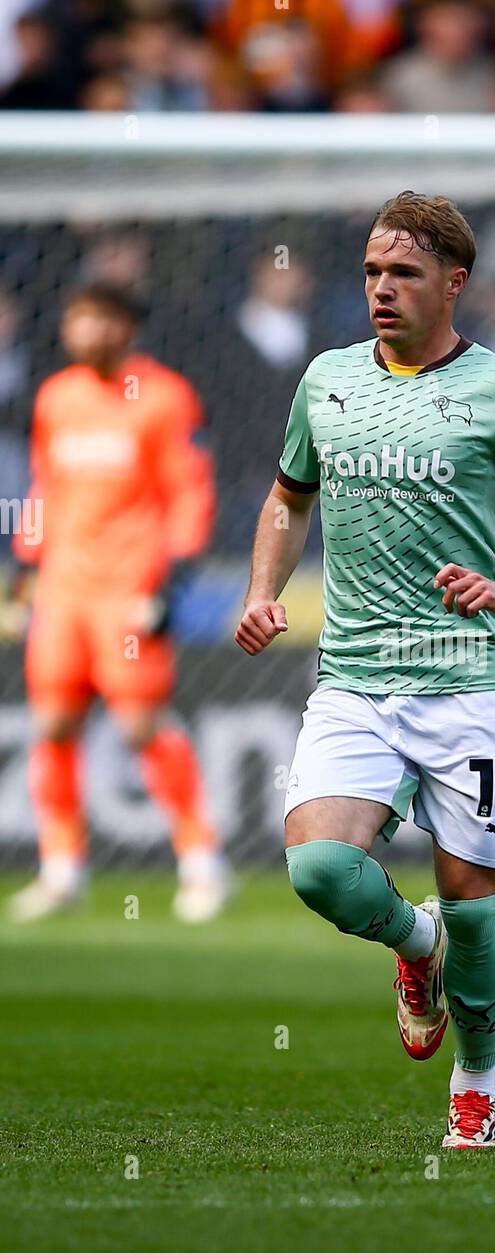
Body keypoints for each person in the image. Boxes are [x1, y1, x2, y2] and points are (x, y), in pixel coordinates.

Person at [234, 192, 495, 1148]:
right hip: (353, 677)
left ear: (454, 283)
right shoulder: (326, 380)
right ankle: (416, 943)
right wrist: (262, 588)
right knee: (319, 870)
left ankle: (475, 1085)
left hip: (467, 684)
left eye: (403, 273)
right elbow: (286, 497)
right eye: (370, 272)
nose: (381, 290)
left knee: (477, 905)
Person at [7, 283, 230, 923]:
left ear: (128, 327)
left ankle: (201, 860)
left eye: (101, 317)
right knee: (53, 724)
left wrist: (174, 580)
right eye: (77, 316)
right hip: (62, 590)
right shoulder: (57, 397)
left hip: (128, 590)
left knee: (140, 725)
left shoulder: (162, 397)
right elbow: (45, 486)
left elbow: (189, 491)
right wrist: (26, 564)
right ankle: (61, 869)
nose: (85, 329)